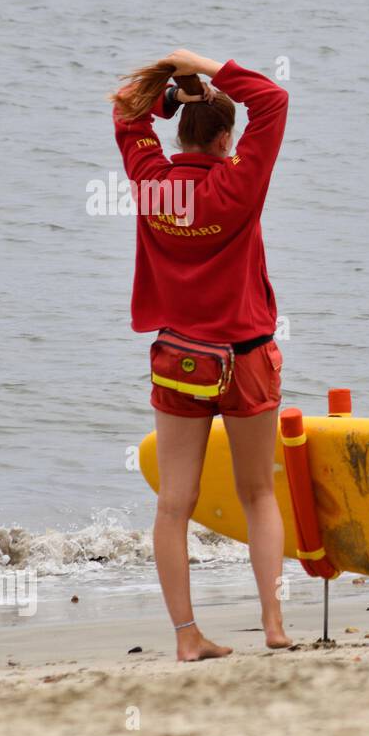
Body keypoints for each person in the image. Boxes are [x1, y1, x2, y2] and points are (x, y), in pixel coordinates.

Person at [111, 49, 291, 661]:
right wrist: (205, 66)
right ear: (224, 138)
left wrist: (166, 94)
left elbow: (125, 116)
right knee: (257, 494)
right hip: (246, 355)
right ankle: (272, 622)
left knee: (173, 503)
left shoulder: (152, 184)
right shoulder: (236, 184)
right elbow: (274, 99)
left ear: (181, 132)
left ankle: (188, 638)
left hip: (179, 359)